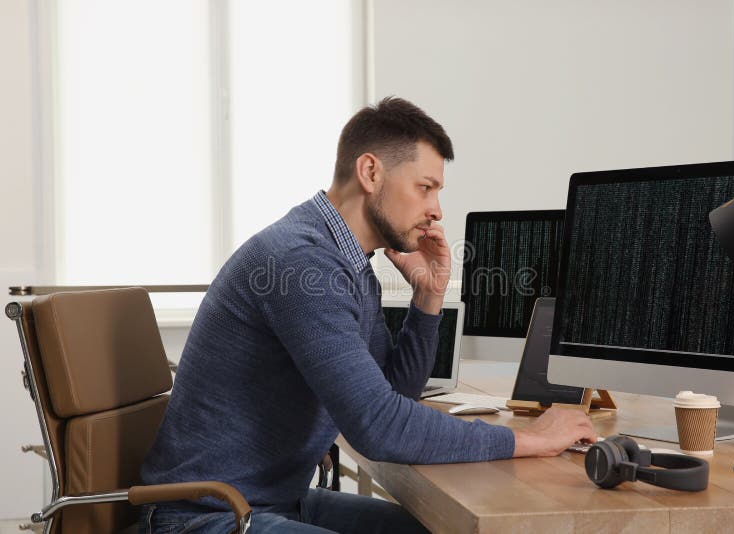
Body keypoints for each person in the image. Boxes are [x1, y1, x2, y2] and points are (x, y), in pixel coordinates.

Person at [140, 97, 597, 533]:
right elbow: (378, 427)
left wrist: (428, 296)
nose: (436, 211)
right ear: (371, 171)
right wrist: (531, 440)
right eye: (425, 188)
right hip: (207, 518)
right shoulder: (303, 262)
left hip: (271, 500)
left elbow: (395, 394)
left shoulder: (351, 266)